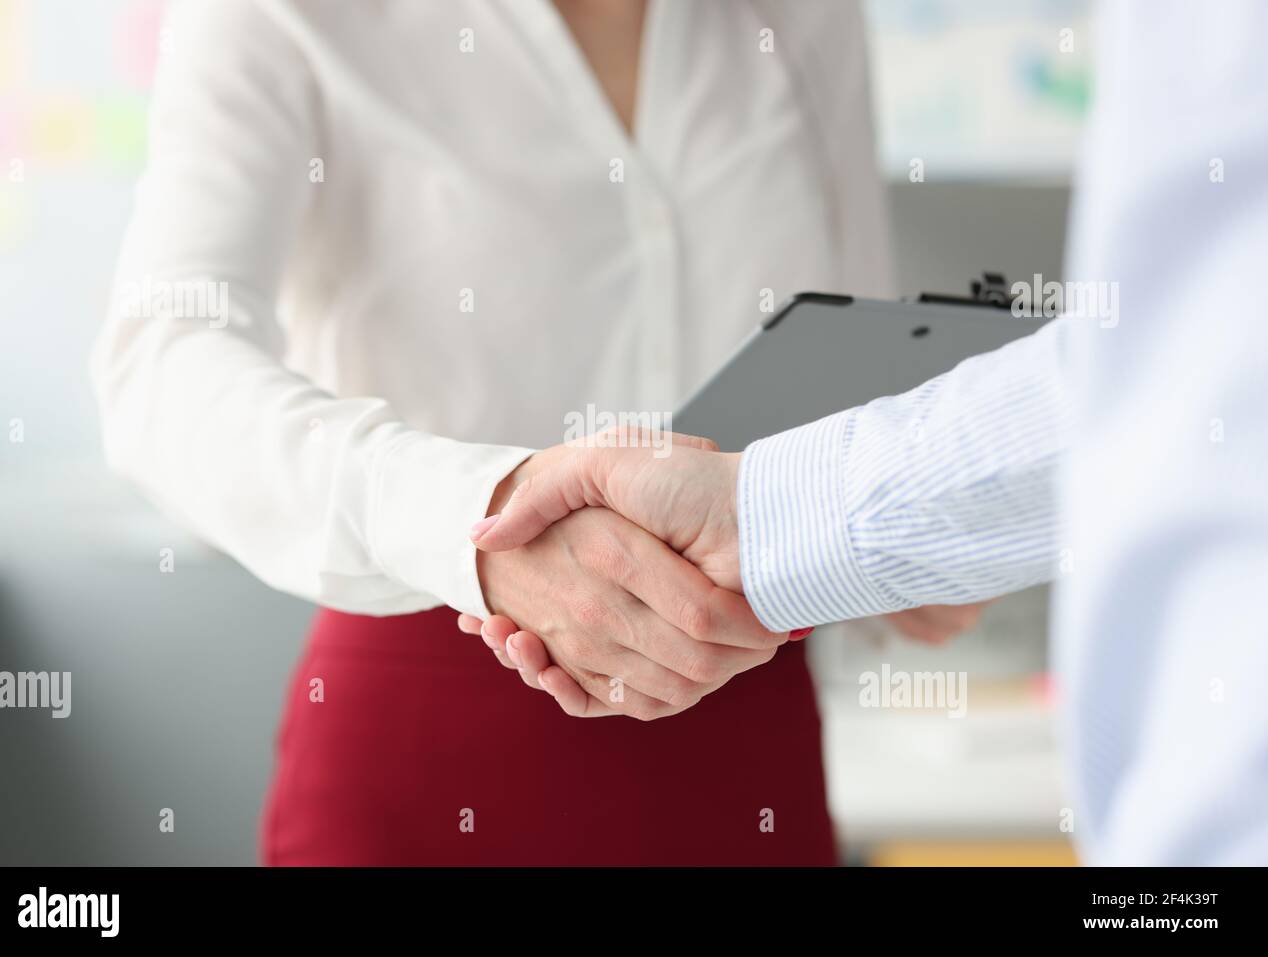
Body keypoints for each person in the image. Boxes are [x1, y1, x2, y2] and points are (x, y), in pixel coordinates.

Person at [91, 0, 978, 865]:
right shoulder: (282, 15)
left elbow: (860, 349)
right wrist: (485, 516)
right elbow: (159, 363)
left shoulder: (806, 17)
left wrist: (900, 520)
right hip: (428, 732)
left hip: (747, 737)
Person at [466, 0, 1268, 864]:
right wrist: (481, 516)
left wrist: (823, 532)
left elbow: (1184, 367)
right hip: (460, 685)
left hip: (755, 670)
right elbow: (1174, 369)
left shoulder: (801, 23)